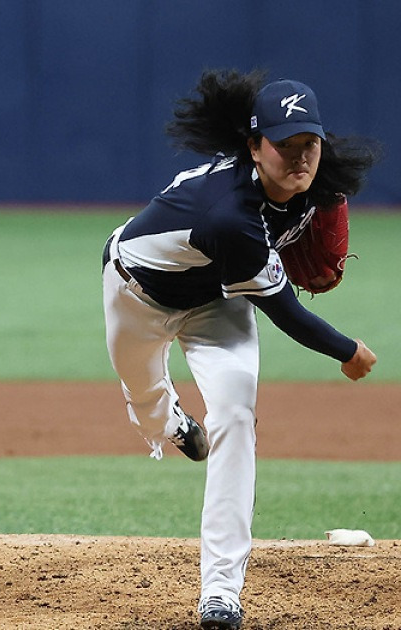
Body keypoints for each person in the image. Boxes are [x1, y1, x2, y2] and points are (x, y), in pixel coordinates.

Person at [102, 69, 378, 630]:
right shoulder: (228, 214)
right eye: (284, 145)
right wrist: (347, 350)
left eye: (310, 144)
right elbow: (287, 313)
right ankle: (171, 426)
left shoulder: (312, 187)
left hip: (217, 301)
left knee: (234, 416)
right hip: (136, 293)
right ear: (254, 147)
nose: (300, 158)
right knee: (146, 397)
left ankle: (220, 592)